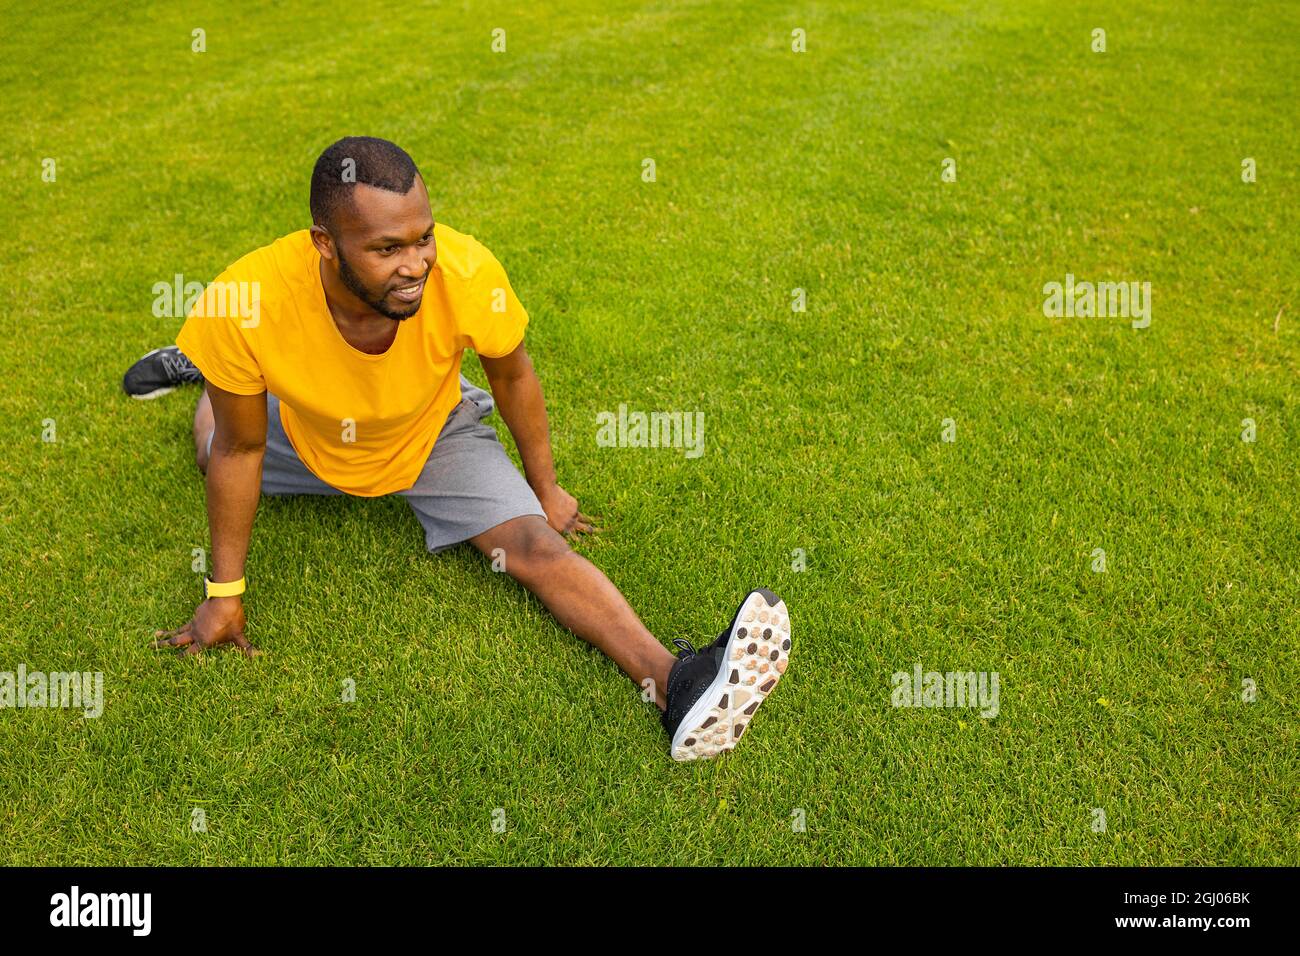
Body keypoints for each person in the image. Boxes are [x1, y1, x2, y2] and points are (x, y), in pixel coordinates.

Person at [124, 136, 791, 761]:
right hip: (310, 431)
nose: (414, 265)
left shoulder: (466, 271)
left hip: (430, 429)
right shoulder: (248, 300)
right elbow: (243, 450)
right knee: (214, 441)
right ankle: (206, 371)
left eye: (424, 238)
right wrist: (224, 593)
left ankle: (680, 685)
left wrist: (546, 487)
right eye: (387, 249)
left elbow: (513, 374)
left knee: (535, 545)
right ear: (325, 244)